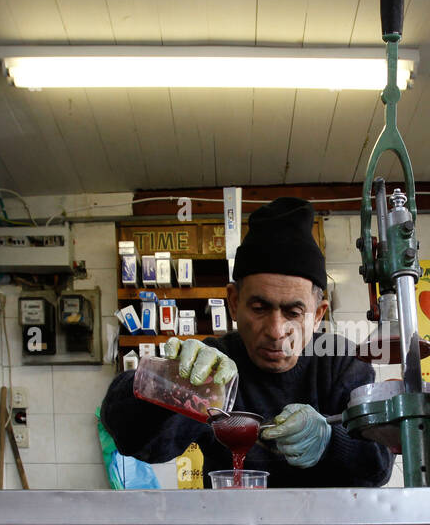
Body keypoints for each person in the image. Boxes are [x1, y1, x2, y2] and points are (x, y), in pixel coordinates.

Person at [101, 197, 393, 487]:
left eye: (293, 312)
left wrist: (333, 441)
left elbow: (379, 465)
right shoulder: (213, 367)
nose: (276, 331)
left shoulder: (342, 363)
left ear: (318, 315)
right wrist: (169, 380)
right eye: (259, 308)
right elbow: (132, 439)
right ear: (234, 302)